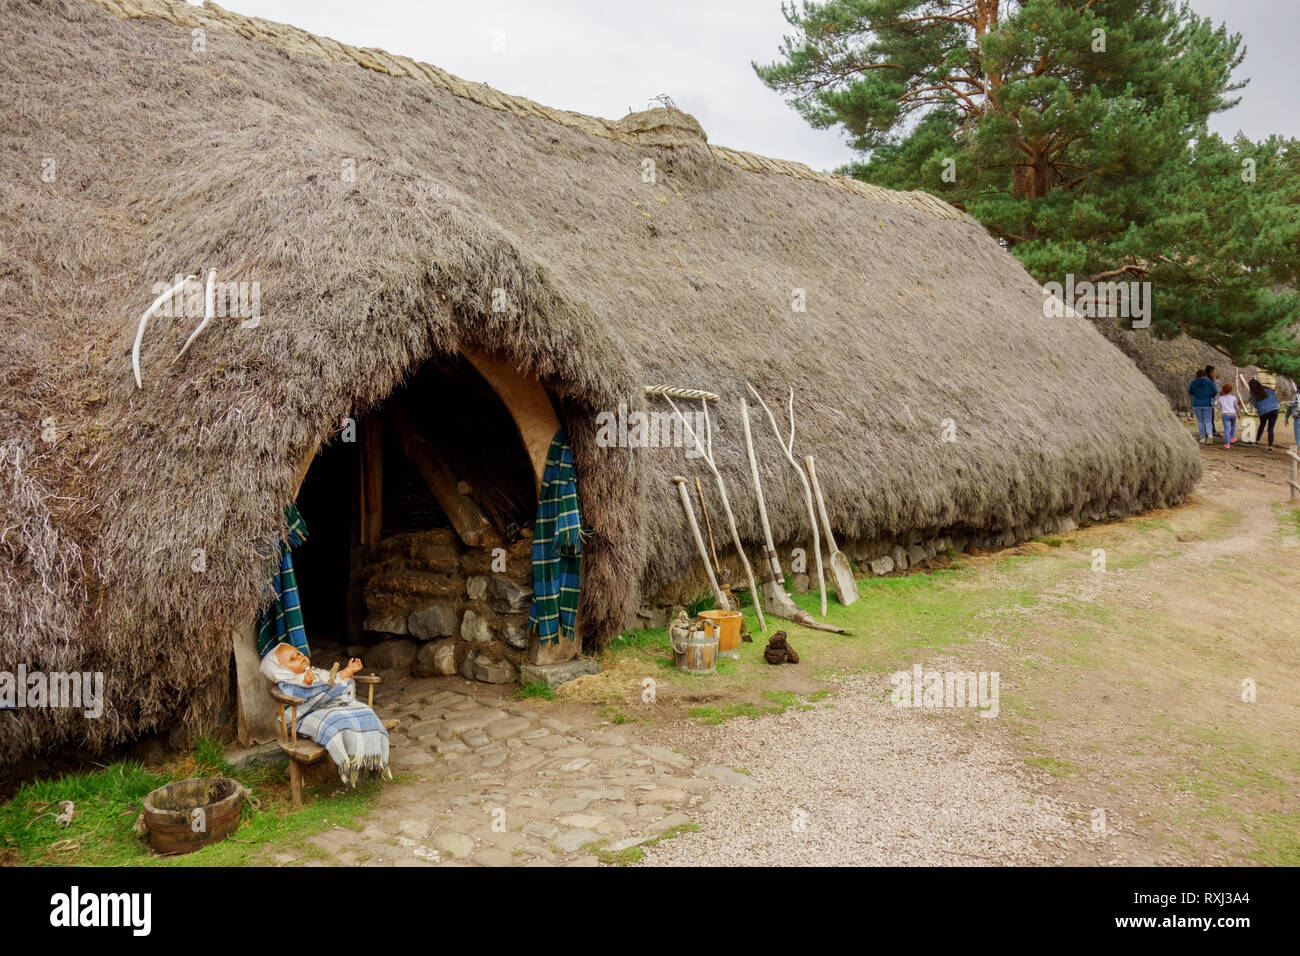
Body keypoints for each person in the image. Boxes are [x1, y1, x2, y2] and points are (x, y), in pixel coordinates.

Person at [1188, 367, 1217, 443]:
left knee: (1200, 421)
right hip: (1207, 403)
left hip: (1197, 404)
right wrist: (1211, 395)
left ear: (1197, 375)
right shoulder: (1209, 382)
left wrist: (1196, 393)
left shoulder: (1193, 382)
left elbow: (1190, 392)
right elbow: (1215, 391)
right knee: (1208, 421)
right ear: (1205, 374)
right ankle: (1210, 435)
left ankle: (1203, 438)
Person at [1249, 379, 1279, 450]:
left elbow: (1255, 406)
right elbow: (1276, 399)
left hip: (1263, 412)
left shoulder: (1254, 394)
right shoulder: (1270, 390)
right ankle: (1270, 446)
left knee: (1262, 425)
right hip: (1274, 410)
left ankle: (1257, 440)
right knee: (1270, 429)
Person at [1217, 383, 1239, 448]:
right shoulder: (1233, 397)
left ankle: (1227, 444)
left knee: (1226, 429)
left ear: (1223, 390)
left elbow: (1218, 407)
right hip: (1233, 414)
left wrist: (1221, 409)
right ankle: (1232, 438)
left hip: (1225, 415)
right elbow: (1236, 407)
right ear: (1231, 390)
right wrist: (1238, 414)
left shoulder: (1221, 398)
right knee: (1233, 425)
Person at [1204, 365, 1220, 438]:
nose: (1214, 373)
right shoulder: (1206, 380)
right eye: (1213, 372)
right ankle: (1207, 432)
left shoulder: (1211, 380)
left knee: (1211, 417)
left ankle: (1213, 431)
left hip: (1211, 401)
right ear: (1209, 372)